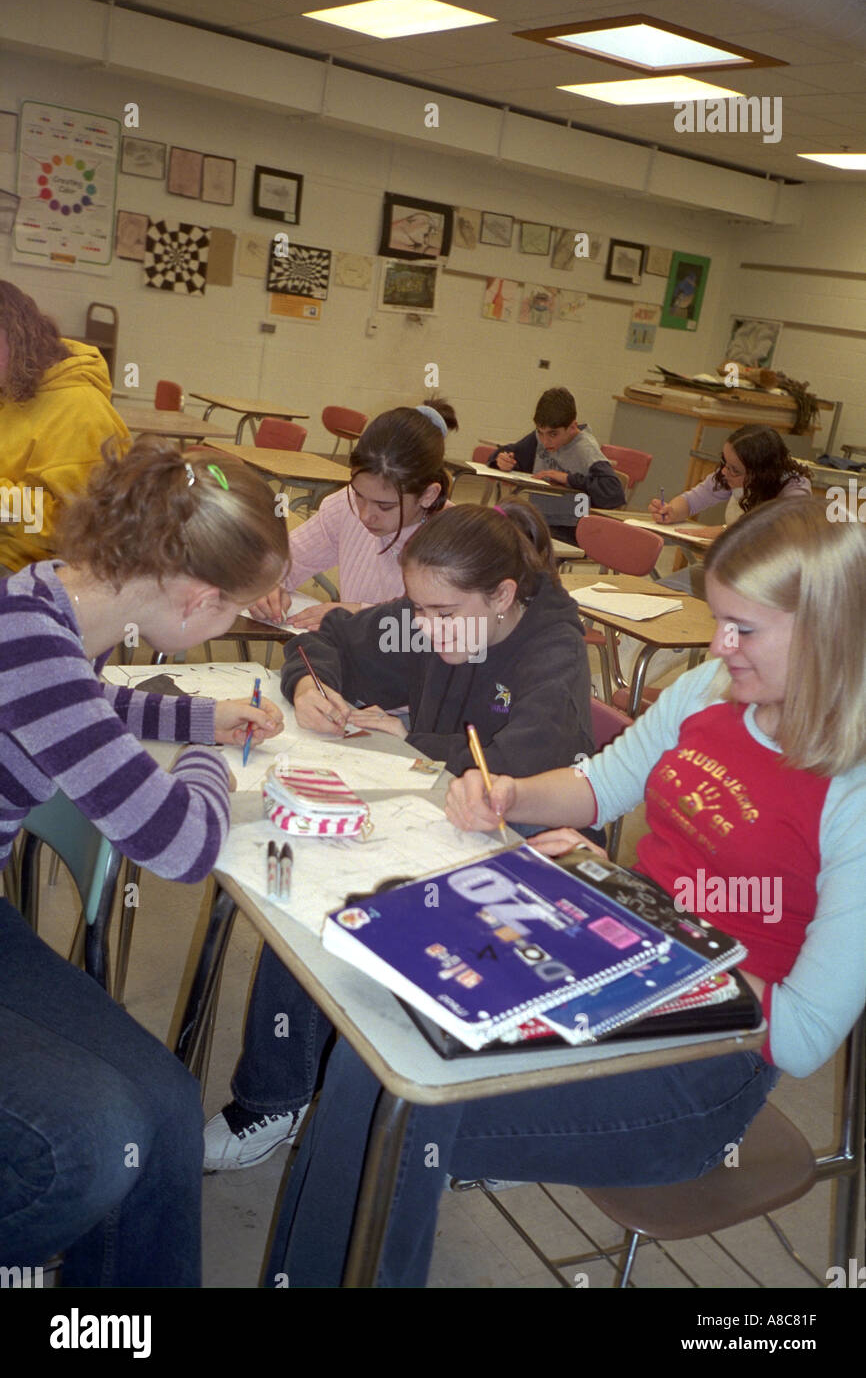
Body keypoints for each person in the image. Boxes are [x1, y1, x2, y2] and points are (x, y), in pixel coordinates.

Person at [265, 496, 866, 1288]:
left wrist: (636, 914)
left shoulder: (851, 787)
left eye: (743, 629)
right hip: (612, 962)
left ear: (828, 629)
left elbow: (800, 1033)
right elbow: (597, 787)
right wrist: (508, 793)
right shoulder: (714, 692)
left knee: (402, 1102)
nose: (719, 647)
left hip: (706, 1064)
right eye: (719, 621)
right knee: (381, 1039)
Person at [203, 502, 599, 1170]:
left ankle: (326, 1098)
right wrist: (308, 687)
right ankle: (280, 1096)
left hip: (514, 843)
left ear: (502, 596)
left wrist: (412, 738)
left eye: (440, 615)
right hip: (429, 809)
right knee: (299, 880)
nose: (420, 627)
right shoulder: (435, 618)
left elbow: (530, 758)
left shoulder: (553, 648)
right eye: (416, 609)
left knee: (346, 902)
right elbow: (326, 636)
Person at [0, 437, 288, 1287]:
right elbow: (183, 844)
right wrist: (211, 763)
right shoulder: (25, 636)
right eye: (241, 606)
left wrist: (199, 719)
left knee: (161, 1104)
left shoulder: (51, 599)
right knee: (84, 1148)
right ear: (200, 602)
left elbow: (85, 701)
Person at [249, 405, 450, 632]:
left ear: (428, 495)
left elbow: (449, 630)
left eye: (385, 506)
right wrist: (268, 585)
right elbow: (286, 558)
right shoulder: (345, 506)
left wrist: (362, 615)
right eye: (359, 495)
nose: (365, 515)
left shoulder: (457, 539)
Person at [0, 280, 130, 574]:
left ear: (19, 338)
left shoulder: (81, 412)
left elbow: (78, 527)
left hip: (34, 567)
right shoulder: (10, 388)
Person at [488, 386, 625, 544]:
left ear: (572, 427)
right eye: (540, 432)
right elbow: (510, 452)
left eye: (553, 434)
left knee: (517, 548)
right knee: (494, 535)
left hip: (571, 528)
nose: (545, 441)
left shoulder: (586, 449)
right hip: (539, 519)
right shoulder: (542, 437)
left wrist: (568, 479)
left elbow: (614, 492)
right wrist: (501, 460)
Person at [648, 424, 812, 539]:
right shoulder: (730, 472)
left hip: (772, 579)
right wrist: (672, 511)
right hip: (734, 566)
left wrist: (726, 531)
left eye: (735, 470)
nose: (725, 472)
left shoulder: (794, 489)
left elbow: (779, 530)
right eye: (725, 462)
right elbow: (693, 500)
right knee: (669, 585)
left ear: (760, 473)